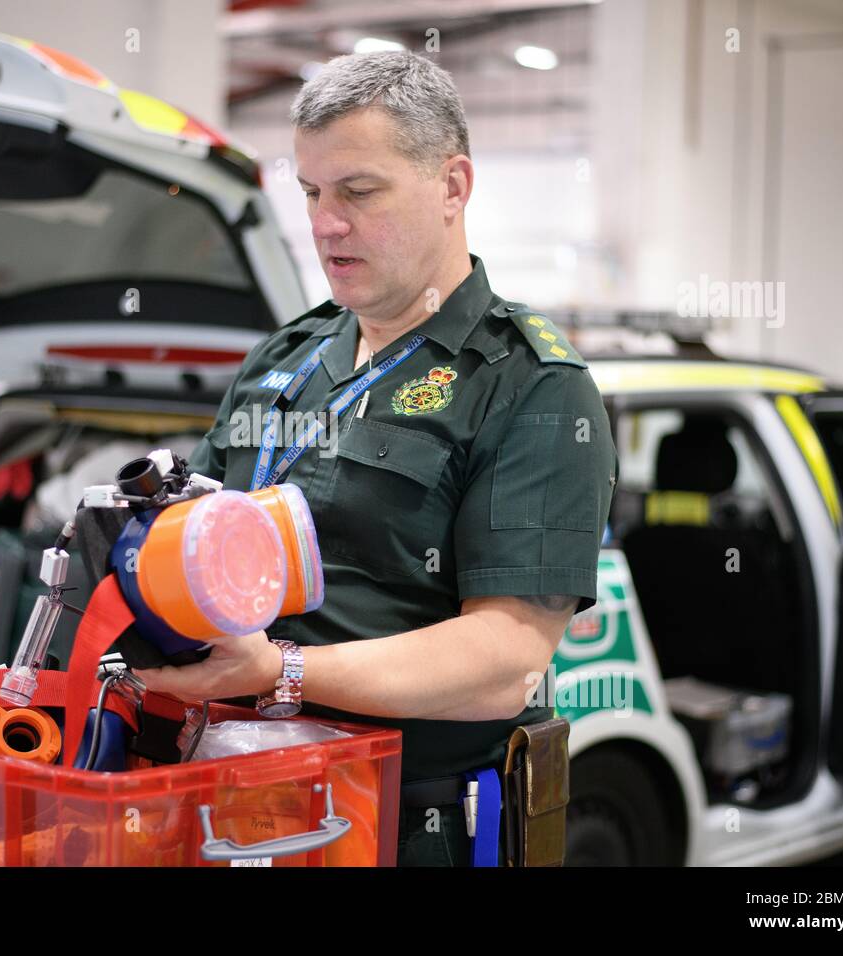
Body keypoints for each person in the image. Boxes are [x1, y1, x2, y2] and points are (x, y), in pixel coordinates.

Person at [133, 50, 616, 867]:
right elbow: (194, 533)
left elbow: (504, 662)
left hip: (410, 829)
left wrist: (277, 670)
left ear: (453, 187)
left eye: (359, 192)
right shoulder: (283, 359)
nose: (325, 224)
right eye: (313, 194)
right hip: (231, 807)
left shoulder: (532, 387)